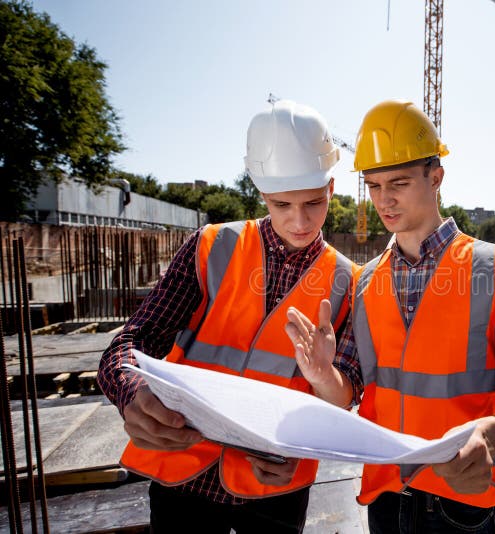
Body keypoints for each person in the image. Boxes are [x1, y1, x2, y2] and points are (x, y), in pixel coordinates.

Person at [284, 99, 495, 533]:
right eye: (373, 185)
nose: (384, 199)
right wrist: (323, 375)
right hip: (386, 500)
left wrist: (492, 438)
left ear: (436, 177)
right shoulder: (366, 281)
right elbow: (347, 392)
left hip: (463, 507)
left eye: (398, 182)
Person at [98, 99, 355, 533]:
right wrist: (132, 393)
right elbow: (130, 343)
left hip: (274, 484)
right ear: (261, 194)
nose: (298, 221)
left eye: (313, 202)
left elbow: (346, 399)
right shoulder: (211, 246)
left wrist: (313, 429)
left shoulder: (348, 281)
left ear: (331, 188)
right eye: (281, 205)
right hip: (185, 478)